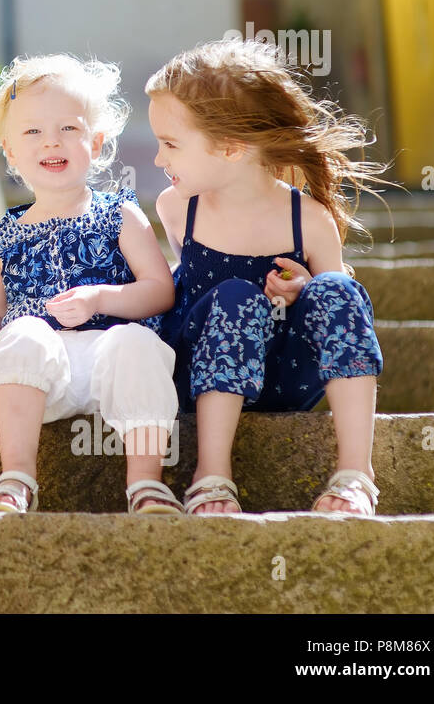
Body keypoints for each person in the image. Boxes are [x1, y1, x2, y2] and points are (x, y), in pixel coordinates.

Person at [146, 38, 390, 516]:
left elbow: (335, 321)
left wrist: (299, 292)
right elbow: (188, 298)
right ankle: (211, 475)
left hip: (286, 379)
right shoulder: (177, 209)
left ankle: (355, 473)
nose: (159, 160)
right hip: (200, 374)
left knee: (336, 288)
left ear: (232, 147)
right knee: (234, 295)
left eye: (170, 144)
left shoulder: (310, 220)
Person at [0, 53, 183, 515]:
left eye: (68, 128)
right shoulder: (3, 239)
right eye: (32, 132)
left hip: (115, 364)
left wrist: (100, 298)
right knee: (22, 333)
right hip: (44, 377)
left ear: (97, 141)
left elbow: (161, 291)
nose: (52, 141)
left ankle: (147, 485)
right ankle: (16, 480)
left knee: (138, 343)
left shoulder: (119, 214)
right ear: (9, 150)